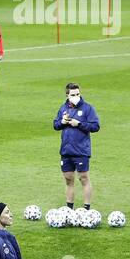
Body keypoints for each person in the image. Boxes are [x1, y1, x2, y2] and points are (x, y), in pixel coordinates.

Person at [53, 83, 100, 212]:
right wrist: (62, 122)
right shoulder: (63, 108)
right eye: (73, 95)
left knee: (83, 178)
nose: (76, 96)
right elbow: (55, 125)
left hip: (81, 151)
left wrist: (78, 124)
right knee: (68, 179)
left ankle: (86, 209)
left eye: (78, 94)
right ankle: (69, 209)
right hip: (66, 151)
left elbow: (95, 126)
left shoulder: (87, 109)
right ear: (67, 95)